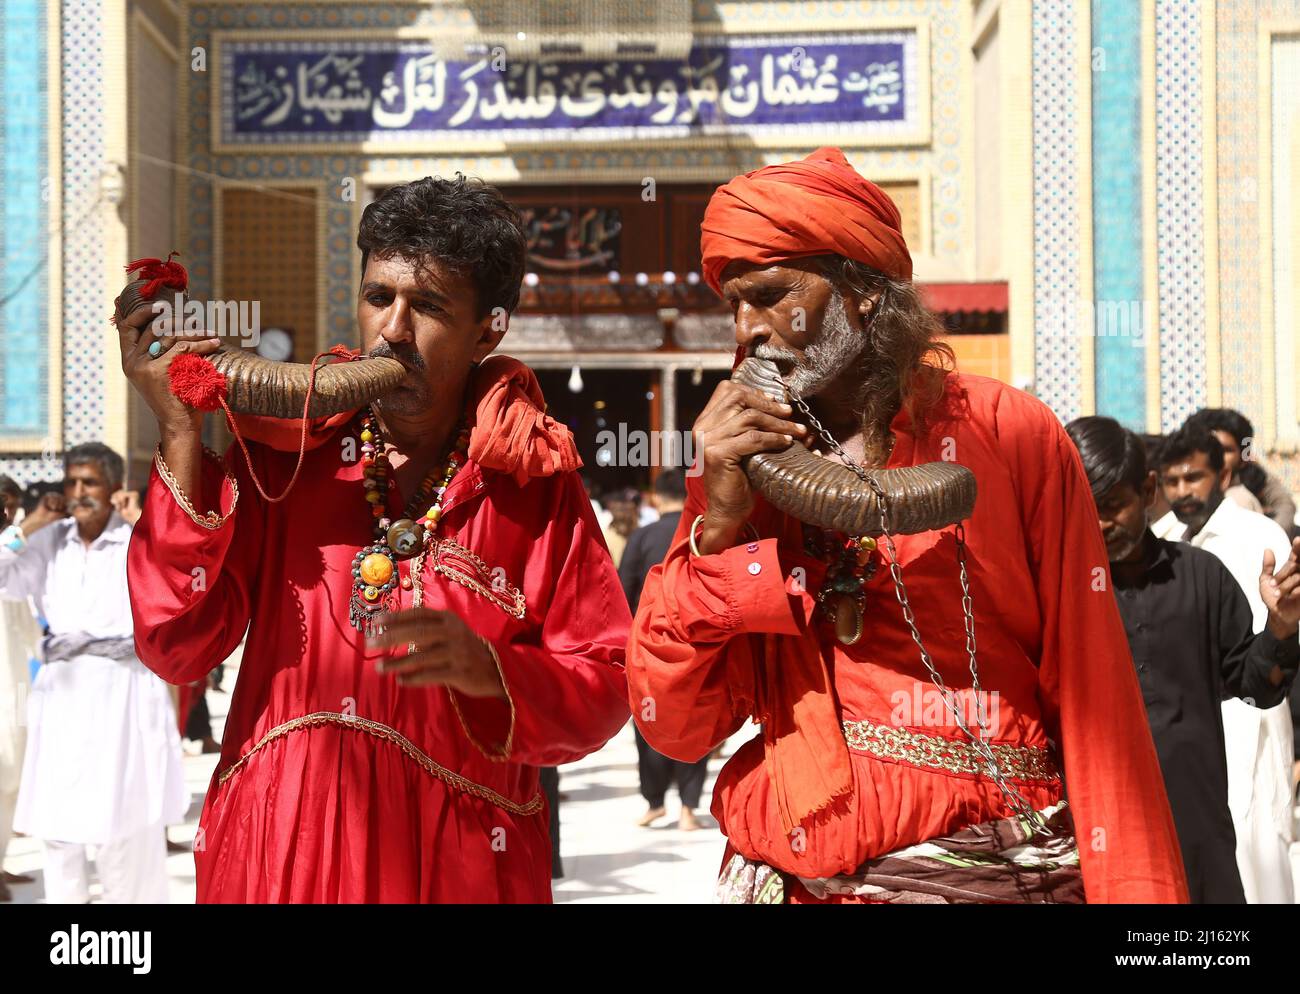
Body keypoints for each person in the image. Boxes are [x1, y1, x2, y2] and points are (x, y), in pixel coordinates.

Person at [627, 147, 1187, 904]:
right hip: (795, 868)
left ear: (861, 290)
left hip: (990, 864)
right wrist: (716, 530)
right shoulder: (743, 466)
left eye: (768, 296)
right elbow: (676, 728)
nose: (747, 329)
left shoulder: (1007, 432)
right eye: (733, 306)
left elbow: (1094, 696)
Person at [116, 175, 630, 903]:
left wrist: (495, 673)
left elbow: (609, 680)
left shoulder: (534, 481)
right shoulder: (282, 455)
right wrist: (178, 434)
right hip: (276, 855)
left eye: (428, 307)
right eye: (379, 296)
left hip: (461, 870)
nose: (392, 329)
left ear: (490, 328)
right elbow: (175, 645)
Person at [1066, 416, 1300, 902]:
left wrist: (1279, 627)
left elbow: (1256, 684)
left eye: (1113, 507)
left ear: (1147, 490)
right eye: (1087, 509)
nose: (1101, 524)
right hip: (1092, 830)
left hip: (1194, 828)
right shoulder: (1057, 590)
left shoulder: (1200, 577)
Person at [0, 445, 187, 903]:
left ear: (113, 488)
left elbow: (181, 577)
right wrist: (29, 525)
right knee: (59, 829)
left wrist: (143, 519)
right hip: (61, 699)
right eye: (71, 483)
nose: (79, 493)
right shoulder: (48, 540)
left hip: (121, 695)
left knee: (121, 825)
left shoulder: (138, 542)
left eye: (90, 483)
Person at [1152, 425, 1297, 902]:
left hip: (1248, 719)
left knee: (1257, 857)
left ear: (1223, 473)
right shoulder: (1161, 539)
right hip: (1186, 730)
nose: (1182, 491)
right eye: (1171, 481)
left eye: (1193, 478)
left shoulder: (1258, 536)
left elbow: (1261, 647)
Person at [618, 469, 709, 831]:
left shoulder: (641, 537)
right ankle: (688, 807)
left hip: (650, 648)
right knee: (697, 720)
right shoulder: (699, 534)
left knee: (649, 722)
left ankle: (655, 803)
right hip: (696, 643)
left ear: (656, 498)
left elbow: (623, 591)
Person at [0, 475, 41, 901]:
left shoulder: (17, 558)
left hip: (14, 685)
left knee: (11, 776)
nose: (7, 515)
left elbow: (30, 626)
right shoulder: (10, 547)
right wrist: (28, 529)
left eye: (11, 506)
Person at [1185, 408, 1296, 535]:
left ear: (1243, 457)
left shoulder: (1244, 490)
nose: (1217, 455)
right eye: (1208, 448)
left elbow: (1284, 506)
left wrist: (1269, 539)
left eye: (1226, 450)